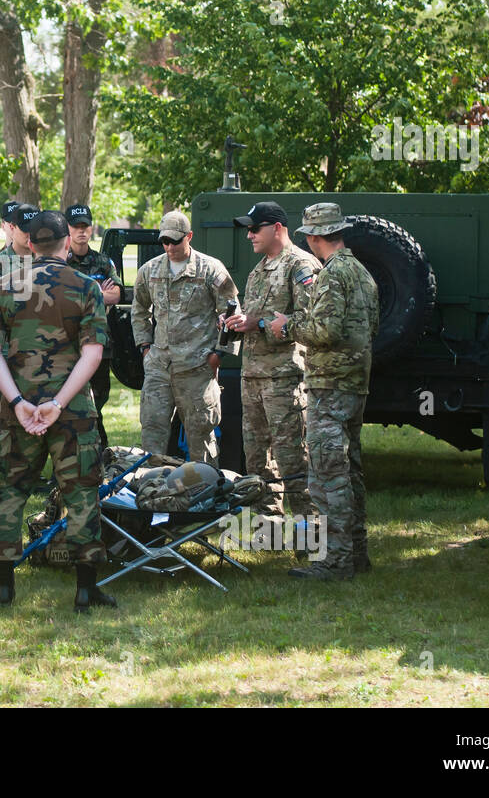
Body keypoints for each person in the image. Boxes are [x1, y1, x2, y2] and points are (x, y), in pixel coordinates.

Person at [0, 210, 114, 612]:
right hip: (72, 411)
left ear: (31, 245)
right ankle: (85, 590)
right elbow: (93, 352)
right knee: (82, 495)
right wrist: (57, 403)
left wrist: (18, 402)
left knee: (9, 492)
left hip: (17, 409)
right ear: (64, 244)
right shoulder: (85, 286)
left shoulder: (2, 286)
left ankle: (4, 586)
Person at [269, 203, 379, 581]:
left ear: (315, 238)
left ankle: (335, 561)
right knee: (350, 473)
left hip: (329, 386)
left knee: (327, 476)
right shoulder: (363, 274)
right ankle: (357, 554)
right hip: (354, 384)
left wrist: (287, 325)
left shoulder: (333, 276)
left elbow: (325, 331)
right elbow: (371, 326)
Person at [220, 201, 322, 523]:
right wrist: (237, 324)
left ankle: (308, 533)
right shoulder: (258, 270)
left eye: (254, 228)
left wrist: (259, 323)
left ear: (276, 228)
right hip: (252, 378)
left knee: (293, 461)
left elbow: (311, 323)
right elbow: (253, 319)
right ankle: (269, 531)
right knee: (257, 463)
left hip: (284, 380)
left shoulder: (301, 266)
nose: (249, 235)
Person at [132, 210, 238, 465]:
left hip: (197, 368)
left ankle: (205, 494)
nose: (169, 247)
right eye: (164, 242)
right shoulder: (149, 271)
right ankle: (153, 494)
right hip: (159, 367)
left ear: (189, 237)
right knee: (152, 433)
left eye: (175, 241)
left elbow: (232, 312)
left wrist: (219, 354)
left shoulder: (211, 269)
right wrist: (145, 347)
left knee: (201, 439)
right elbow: (139, 311)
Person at [0, 201, 38, 483]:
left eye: (34, 230)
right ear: (12, 228)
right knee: (2, 411)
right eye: (24, 230)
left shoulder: (45, 260)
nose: (29, 236)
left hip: (39, 354)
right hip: (5, 352)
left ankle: (31, 468)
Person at [64, 204, 122, 446]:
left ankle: (98, 451)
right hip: (68, 343)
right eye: (76, 226)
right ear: (67, 229)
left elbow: (116, 295)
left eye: (85, 226)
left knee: (97, 400)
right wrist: (97, 291)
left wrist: (83, 293)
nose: (81, 231)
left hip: (99, 341)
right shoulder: (61, 262)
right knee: (70, 401)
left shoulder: (102, 261)